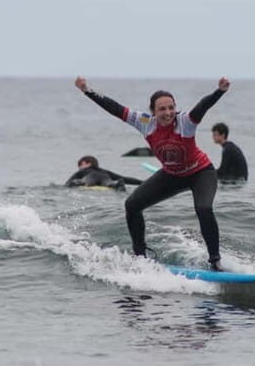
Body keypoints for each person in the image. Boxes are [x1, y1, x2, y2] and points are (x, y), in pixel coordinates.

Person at [75, 75, 230, 271]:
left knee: (204, 208)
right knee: (132, 205)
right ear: (153, 111)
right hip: (172, 175)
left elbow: (202, 106)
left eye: (171, 107)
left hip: (201, 173)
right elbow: (113, 107)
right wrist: (87, 90)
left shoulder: (186, 121)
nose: (168, 113)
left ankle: (215, 261)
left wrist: (219, 91)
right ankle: (140, 257)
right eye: (162, 109)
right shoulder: (144, 122)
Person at [65, 155, 143, 191]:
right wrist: (143, 182)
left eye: (81, 165)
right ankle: (116, 185)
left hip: (91, 177)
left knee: (85, 182)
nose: (79, 168)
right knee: (109, 183)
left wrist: (70, 184)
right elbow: (125, 178)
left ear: (88, 163)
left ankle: (81, 182)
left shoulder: (83, 171)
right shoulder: (104, 171)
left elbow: (68, 182)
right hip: (105, 177)